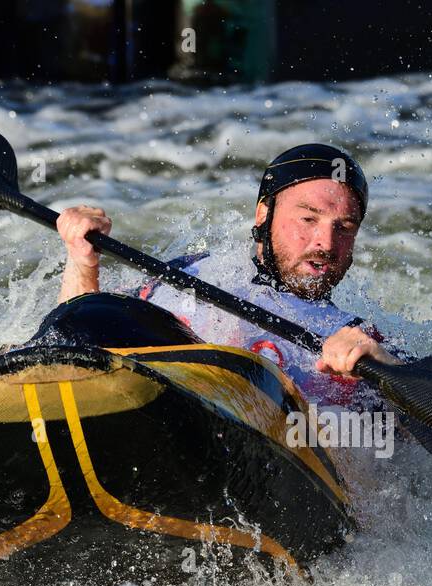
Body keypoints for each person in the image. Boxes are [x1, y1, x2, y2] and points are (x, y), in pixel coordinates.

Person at [51, 144, 401, 404]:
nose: (326, 242)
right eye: (308, 219)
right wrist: (82, 261)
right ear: (264, 214)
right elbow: (77, 332)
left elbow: (426, 426)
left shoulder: (360, 340)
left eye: (344, 227)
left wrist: (388, 375)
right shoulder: (190, 272)